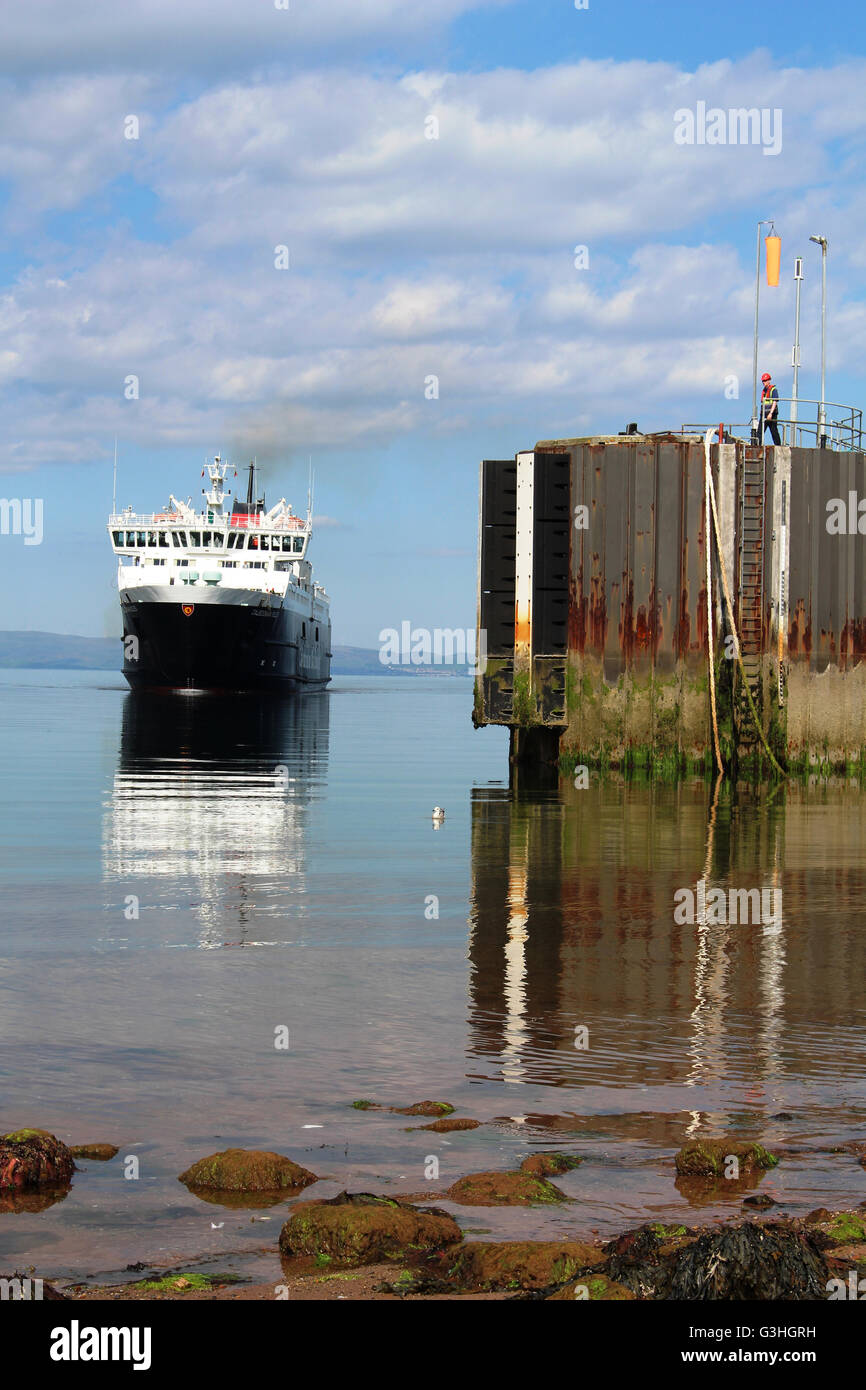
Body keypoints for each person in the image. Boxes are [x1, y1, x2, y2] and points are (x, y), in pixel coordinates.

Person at [761, 372, 781, 445]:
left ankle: (778, 445)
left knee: (774, 430)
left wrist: (771, 413)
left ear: (769, 381)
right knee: (760, 431)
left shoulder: (773, 390)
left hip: (771, 414)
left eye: (765, 380)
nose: (764, 382)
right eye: (763, 381)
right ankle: (757, 444)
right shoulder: (764, 391)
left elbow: (775, 401)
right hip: (764, 414)